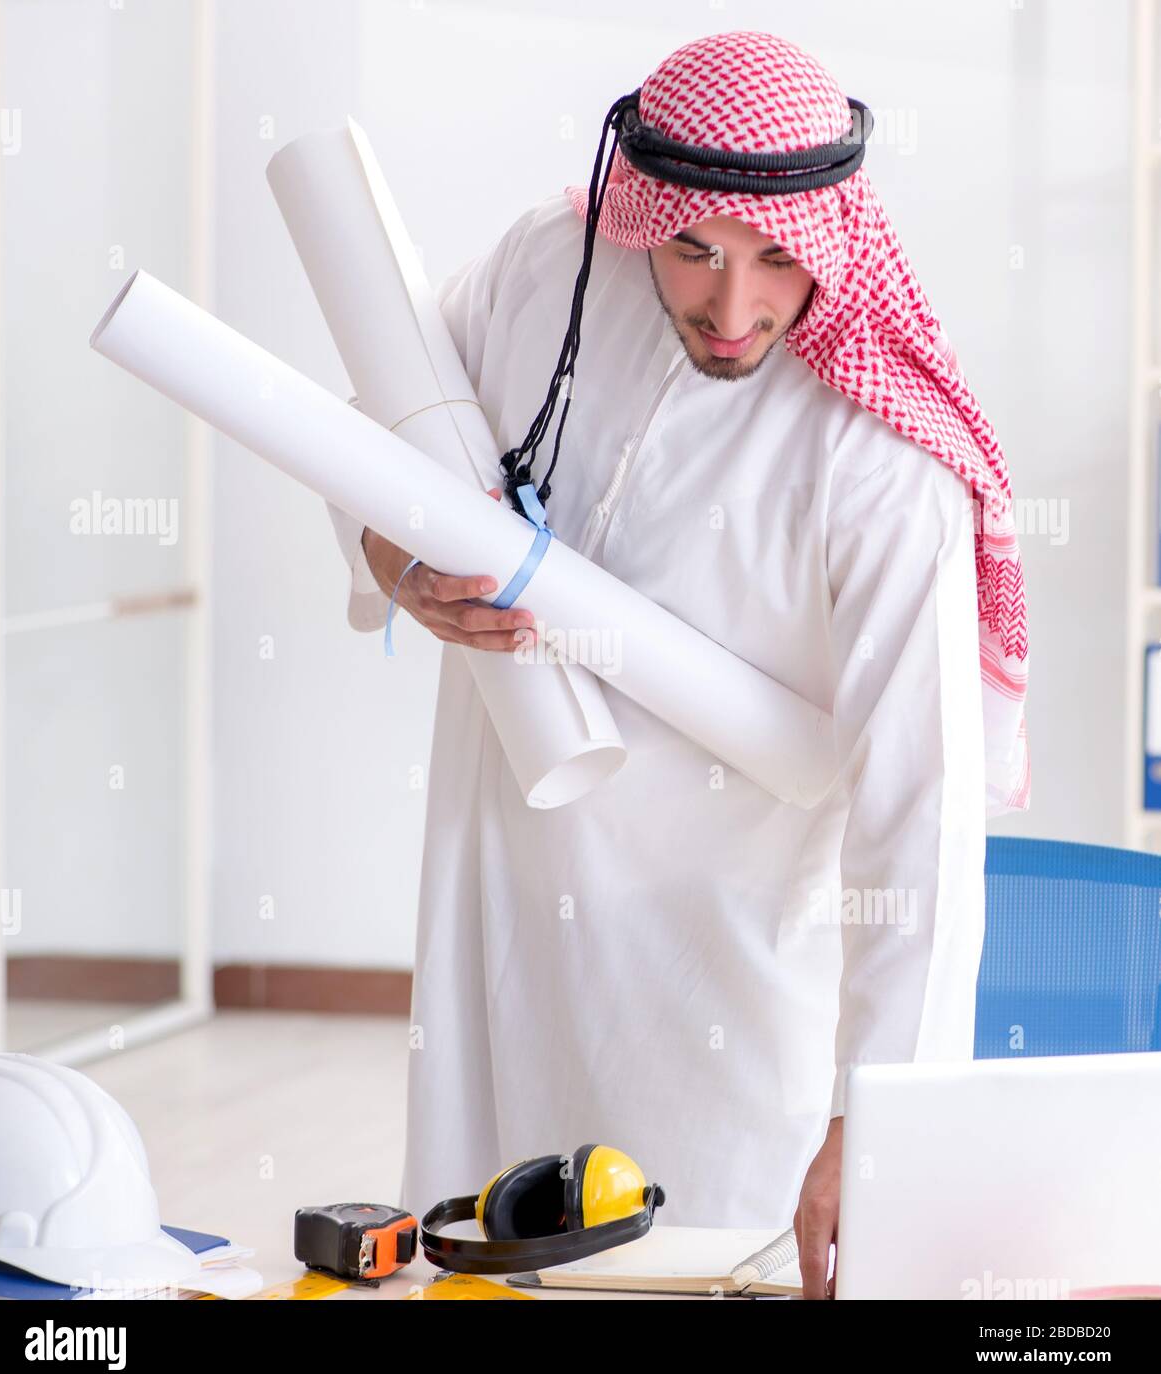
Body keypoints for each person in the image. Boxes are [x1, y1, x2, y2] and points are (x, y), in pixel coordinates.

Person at [325, 30, 1030, 1299]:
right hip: (503, 901)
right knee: (486, 1254)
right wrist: (396, 561)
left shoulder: (877, 461)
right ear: (644, 211)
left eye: (777, 261)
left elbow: (916, 814)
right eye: (694, 250)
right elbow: (380, 426)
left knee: (707, 1263)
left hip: (730, 972)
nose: (731, 305)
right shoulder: (552, 270)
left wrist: (878, 1121)